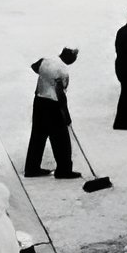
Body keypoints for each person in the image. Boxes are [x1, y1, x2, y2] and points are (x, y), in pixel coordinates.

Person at [24, 48, 81, 178]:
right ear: (70, 57)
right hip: (53, 105)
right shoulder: (63, 71)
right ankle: (64, 170)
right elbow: (60, 94)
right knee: (61, 139)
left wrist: (44, 77)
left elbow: (34, 66)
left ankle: (31, 169)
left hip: (39, 101)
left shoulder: (46, 61)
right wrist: (66, 116)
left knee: (38, 136)